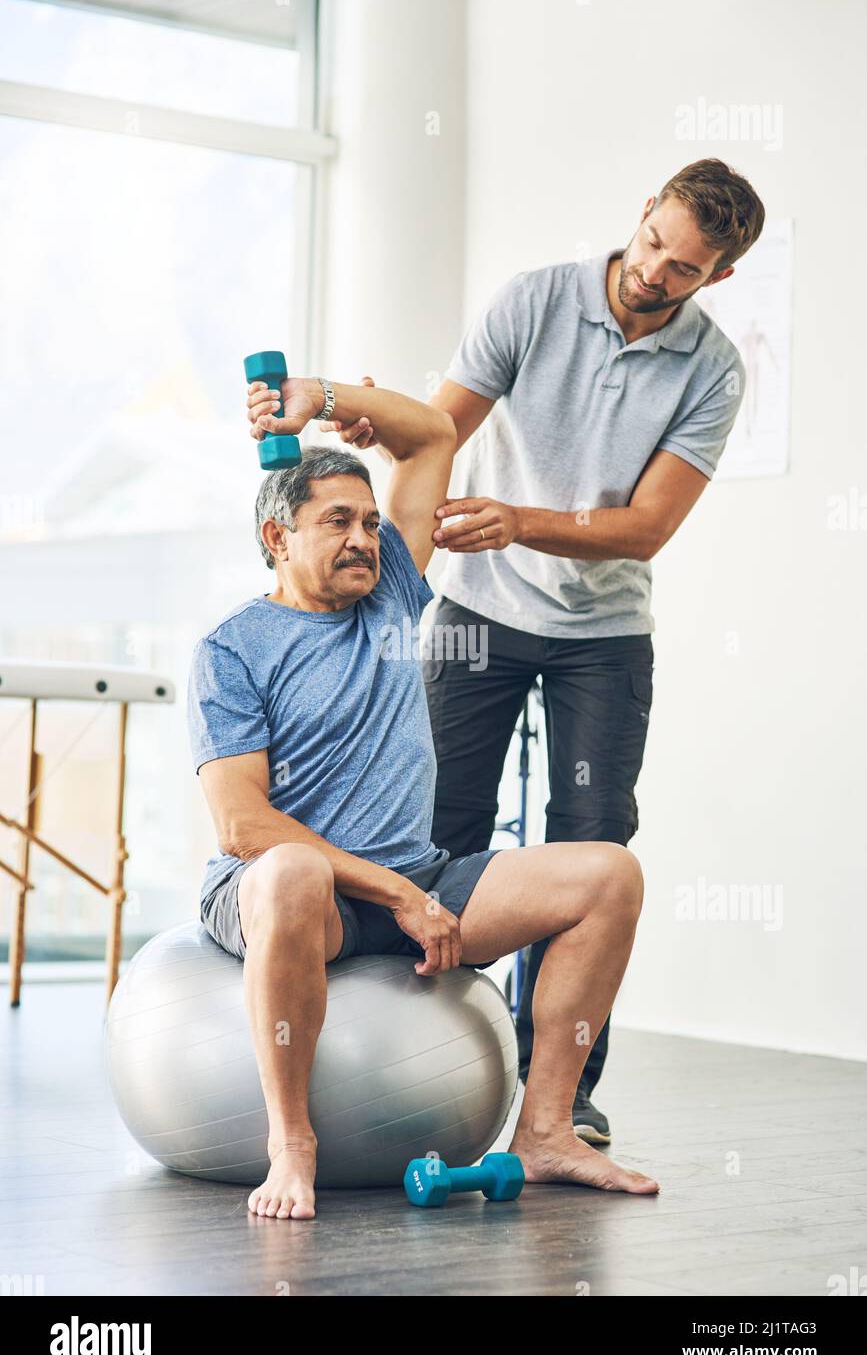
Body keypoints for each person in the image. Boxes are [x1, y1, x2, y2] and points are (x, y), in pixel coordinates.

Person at [321, 158, 766, 1143]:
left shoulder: (715, 369)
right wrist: (377, 424)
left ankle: (559, 1088)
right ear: (642, 207)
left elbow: (646, 527)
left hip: (602, 638)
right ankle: (415, 1052)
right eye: (655, 243)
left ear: (718, 277)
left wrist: (518, 518)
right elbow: (440, 430)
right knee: (438, 827)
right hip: (479, 613)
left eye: (685, 269)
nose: (654, 272)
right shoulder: (534, 302)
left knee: (589, 847)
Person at [186, 374, 659, 1219]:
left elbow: (434, 434)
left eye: (371, 523)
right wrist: (401, 893)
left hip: (418, 875)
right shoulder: (234, 649)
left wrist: (318, 396)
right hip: (293, 895)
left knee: (608, 874)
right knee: (293, 868)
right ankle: (290, 1146)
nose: (365, 539)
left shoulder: (391, 599)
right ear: (276, 536)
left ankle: (547, 1129)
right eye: (337, 521)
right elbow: (242, 824)